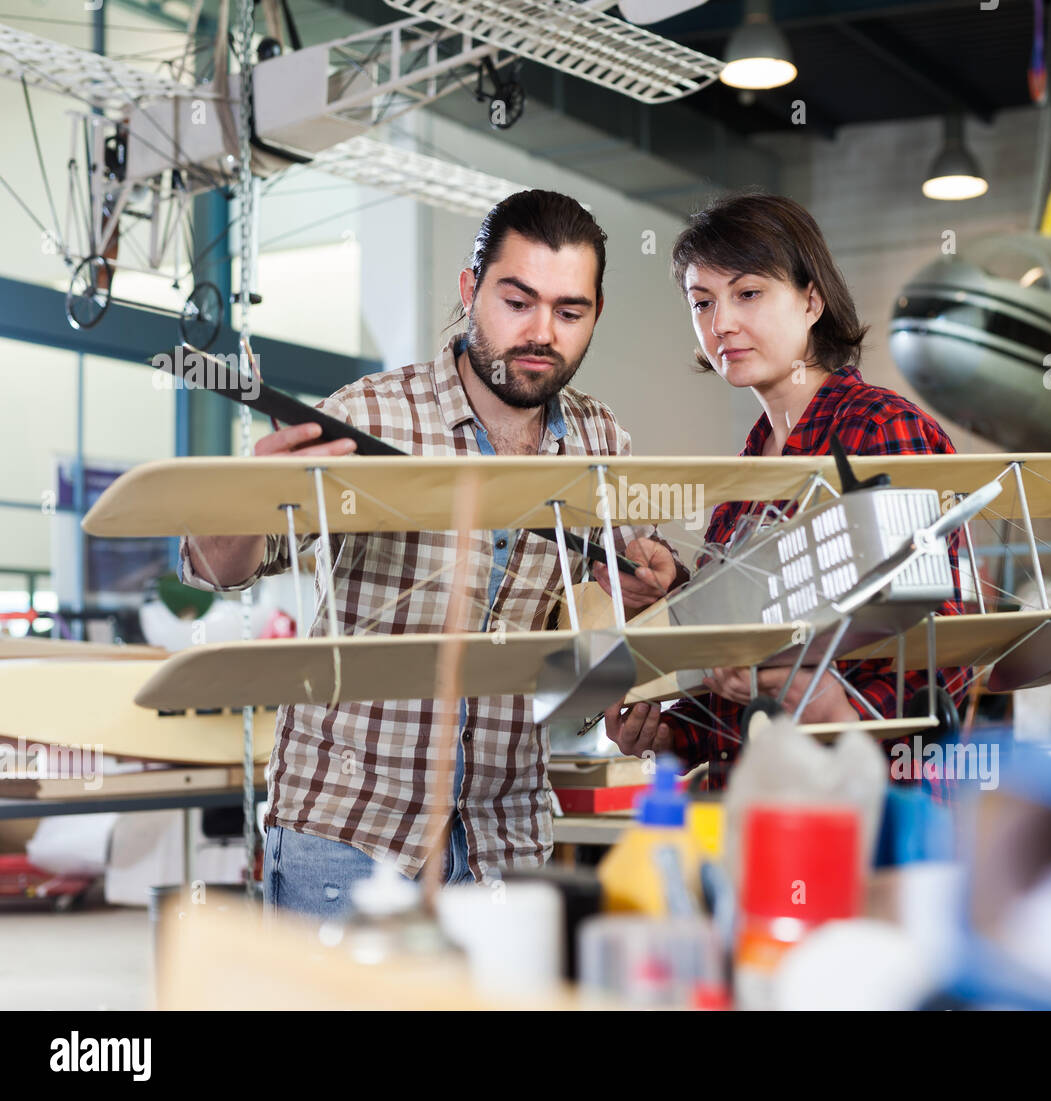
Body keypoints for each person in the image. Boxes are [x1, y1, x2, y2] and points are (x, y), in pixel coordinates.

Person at [182, 190, 684, 918]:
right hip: (352, 826)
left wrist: (647, 580)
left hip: (504, 833)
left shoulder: (602, 440)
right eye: (518, 300)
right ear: (469, 289)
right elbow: (222, 568)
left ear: (595, 315)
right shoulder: (371, 413)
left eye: (569, 312)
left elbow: (608, 588)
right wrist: (247, 500)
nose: (542, 330)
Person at [602, 192, 967, 790]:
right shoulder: (746, 476)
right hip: (751, 814)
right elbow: (736, 689)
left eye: (747, 293)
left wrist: (841, 711)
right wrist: (671, 734)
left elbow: (951, 636)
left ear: (811, 301)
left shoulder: (880, 430)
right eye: (702, 302)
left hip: (859, 808)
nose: (721, 324)